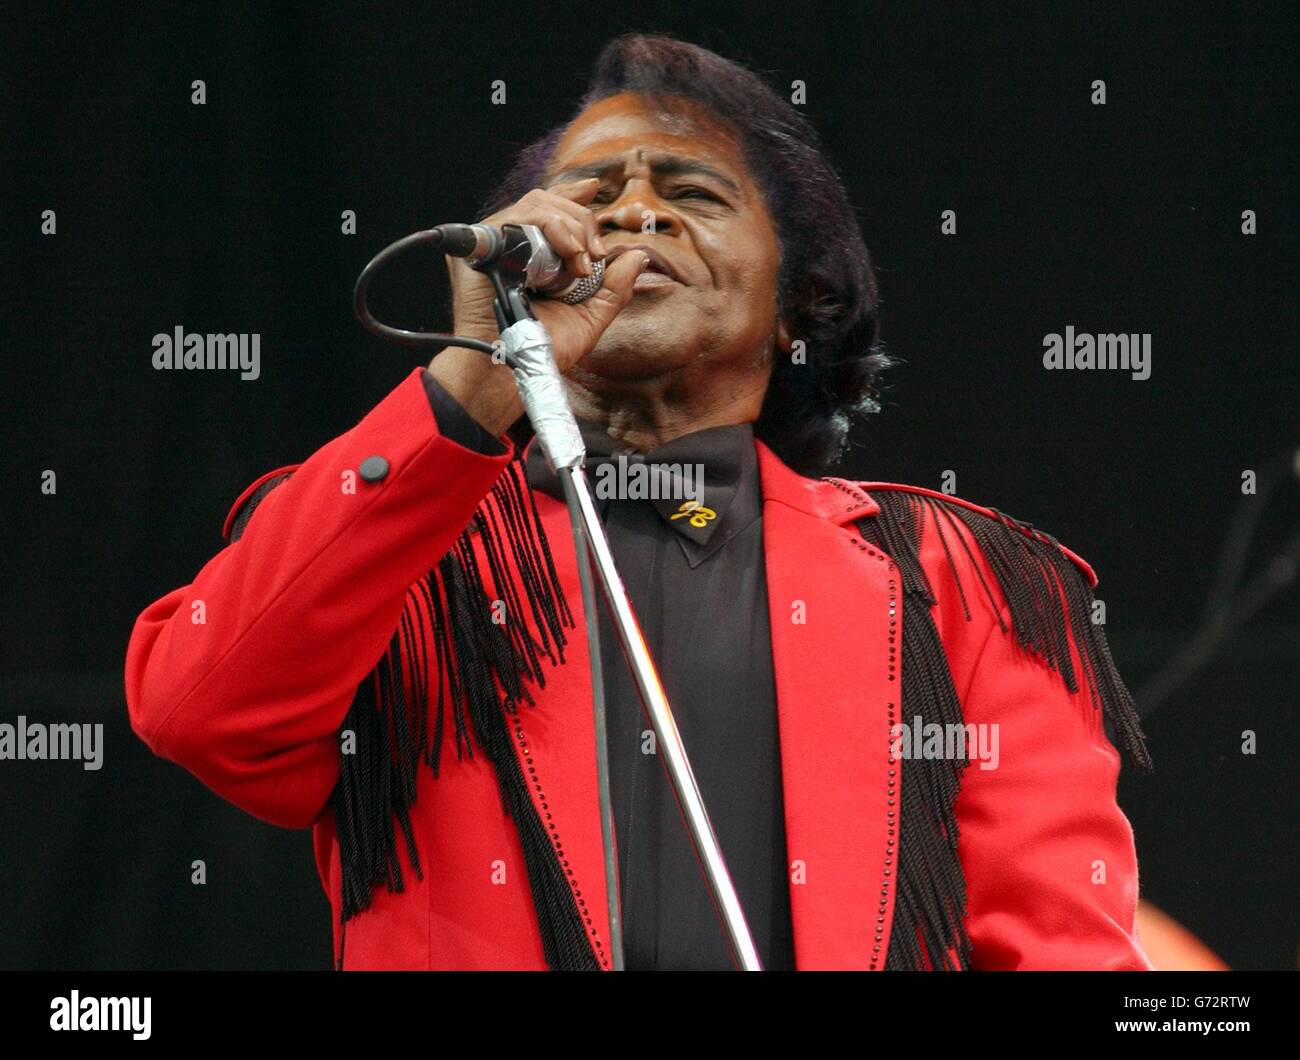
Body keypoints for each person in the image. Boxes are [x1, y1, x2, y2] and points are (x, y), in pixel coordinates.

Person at [125, 32, 1152, 971]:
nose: (632, 214)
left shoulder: (962, 579)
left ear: (799, 303)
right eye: (592, 194)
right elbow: (198, 712)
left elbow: (1064, 948)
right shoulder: (397, 553)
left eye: (692, 194)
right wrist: (472, 380)